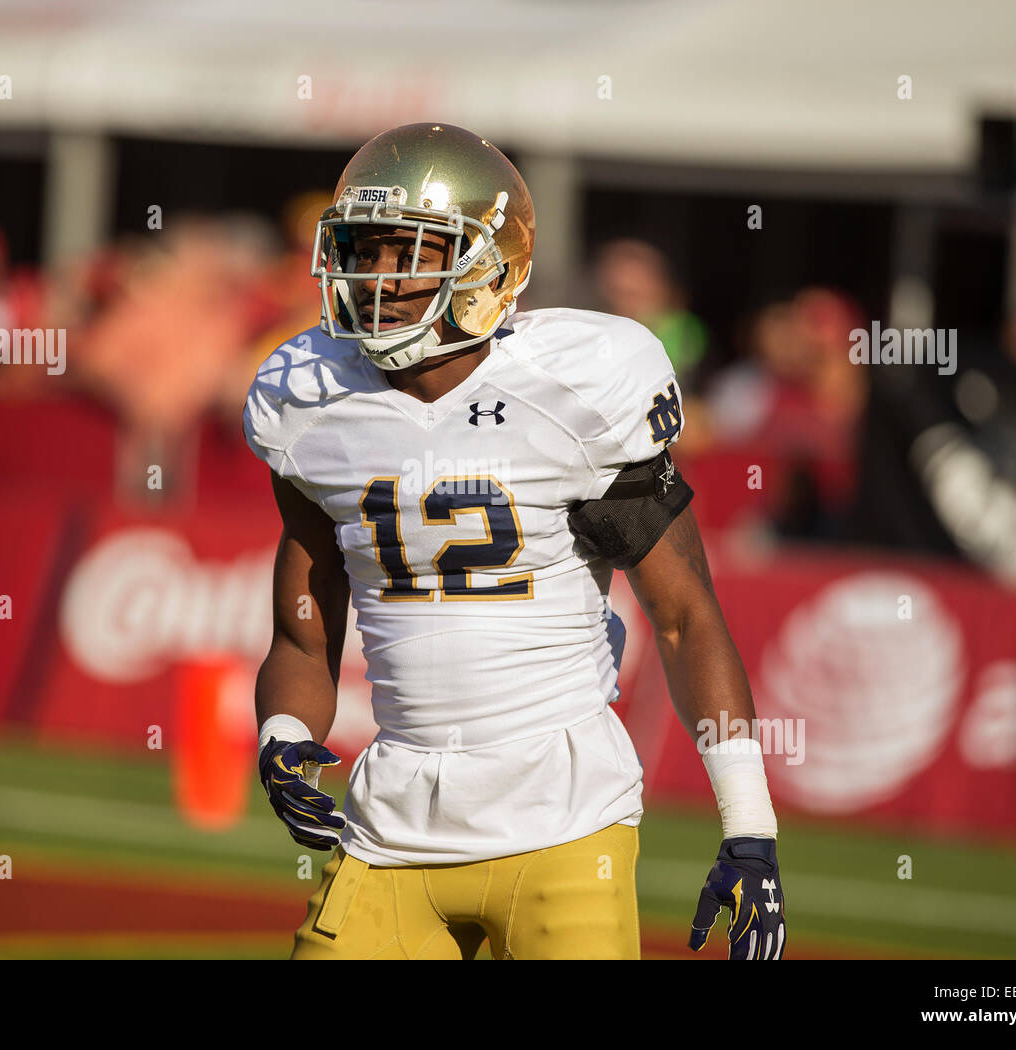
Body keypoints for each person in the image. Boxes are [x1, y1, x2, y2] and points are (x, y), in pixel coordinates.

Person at [243, 123, 786, 960]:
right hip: (393, 824)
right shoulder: (309, 401)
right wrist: (282, 737)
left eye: (409, 253)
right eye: (360, 251)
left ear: (488, 267)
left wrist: (748, 827)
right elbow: (304, 625)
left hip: (563, 821)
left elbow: (684, 617)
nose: (375, 279)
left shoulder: (577, 387)